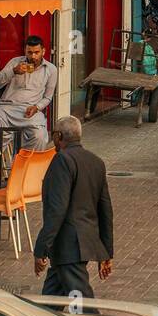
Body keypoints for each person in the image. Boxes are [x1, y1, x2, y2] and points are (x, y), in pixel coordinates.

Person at [32, 115, 113, 298]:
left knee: (81, 305)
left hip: (68, 248)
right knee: (50, 304)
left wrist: (41, 249)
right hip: (76, 249)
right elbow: (105, 210)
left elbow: (57, 209)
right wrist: (106, 252)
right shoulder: (96, 162)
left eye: (53, 135)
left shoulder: (62, 160)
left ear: (58, 136)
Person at [0, 36, 58, 155]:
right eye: (29, 52)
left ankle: (26, 167)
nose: (33, 56)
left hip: (30, 111)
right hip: (6, 109)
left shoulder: (51, 69)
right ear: (25, 51)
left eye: (36, 52)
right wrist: (13, 71)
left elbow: (48, 97)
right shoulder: (15, 62)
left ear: (43, 51)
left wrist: (37, 107)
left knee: (39, 136)